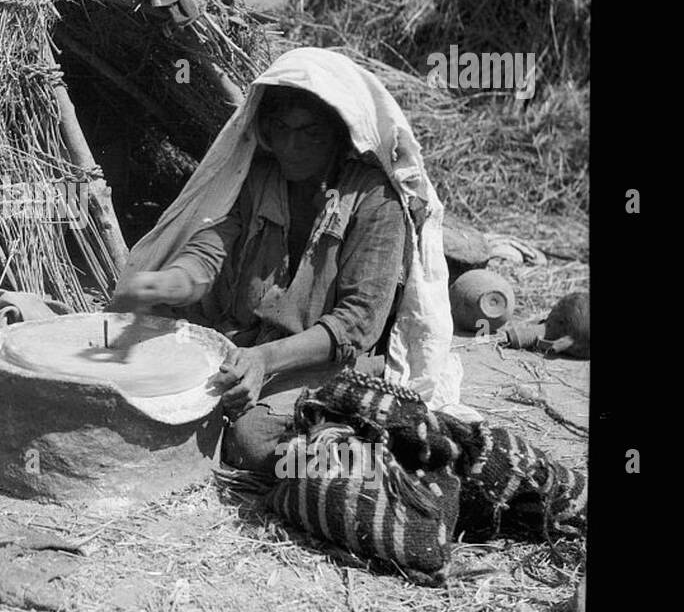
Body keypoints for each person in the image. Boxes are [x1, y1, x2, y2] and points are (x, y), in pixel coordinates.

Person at [110, 48, 463, 473]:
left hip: (322, 361)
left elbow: (357, 324)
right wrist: (164, 285)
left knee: (252, 441)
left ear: (339, 133)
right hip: (245, 341)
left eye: (310, 132)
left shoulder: (373, 199)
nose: (292, 146)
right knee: (135, 365)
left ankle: (356, 446)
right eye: (282, 128)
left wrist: (265, 362)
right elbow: (209, 254)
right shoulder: (260, 177)